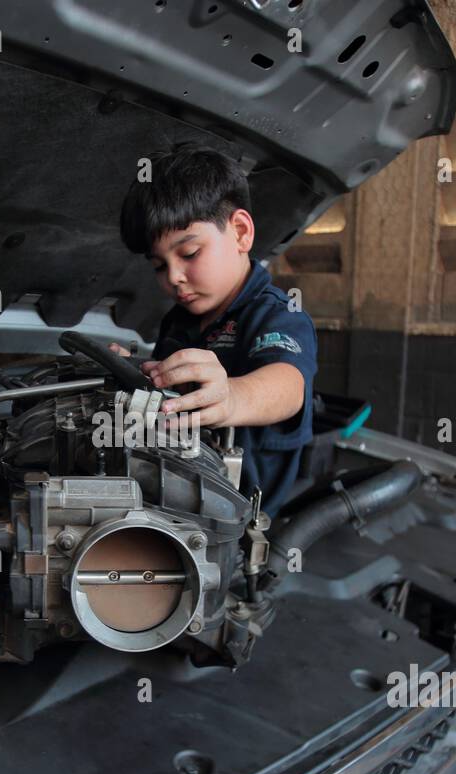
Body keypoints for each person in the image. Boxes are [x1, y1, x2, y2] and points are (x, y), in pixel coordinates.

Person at [112, 143, 317, 517]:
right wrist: (137, 369)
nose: (174, 276)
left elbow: (288, 385)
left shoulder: (279, 315)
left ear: (240, 232)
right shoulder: (179, 319)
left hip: (237, 527)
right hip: (175, 499)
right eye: (159, 265)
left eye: (189, 254)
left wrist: (232, 397)